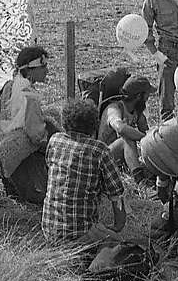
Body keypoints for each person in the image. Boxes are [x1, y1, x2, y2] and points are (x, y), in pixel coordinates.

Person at [43, 99, 127, 245]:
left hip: (49, 230)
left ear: (65, 122)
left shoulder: (55, 140)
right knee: (120, 244)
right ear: (93, 125)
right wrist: (117, 227)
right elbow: (116, 194)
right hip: (80, 233)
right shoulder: (99, 150)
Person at [0, 46, 53, 205]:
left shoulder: (10, 87)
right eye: (43, 67)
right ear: (30, 71)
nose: (47, 70)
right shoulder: (30, 95)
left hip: (5, 140)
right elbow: (35, 133)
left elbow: (4, 119)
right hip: (21, 147)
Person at [98, 75, 154, 181]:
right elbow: (121, 129)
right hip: (103, 158)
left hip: (118, 160)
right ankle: (140, 180)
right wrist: (145, 138)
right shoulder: (114, 108)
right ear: (139, 96)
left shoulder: (137, 111)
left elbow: (146, 131)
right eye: (147, 94)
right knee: (126, 138)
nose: (148, 98)